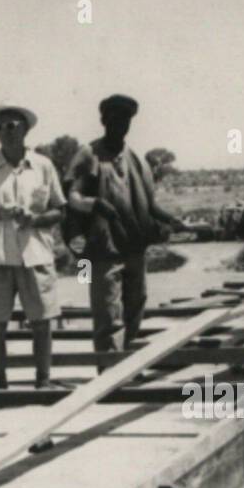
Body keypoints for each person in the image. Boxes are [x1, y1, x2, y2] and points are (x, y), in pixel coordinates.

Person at [66, 94, 186, 368]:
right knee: (108, 314)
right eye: (113, 119)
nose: (119, 125)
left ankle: (126, 367)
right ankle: (109, 372)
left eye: (125, 120)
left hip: (134, 246)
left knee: (135, 308)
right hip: (104, 247)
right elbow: (72, 196)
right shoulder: (88, 155)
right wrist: (95, 204)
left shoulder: (137, 161)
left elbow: (150, 204)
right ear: (103, 120)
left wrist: (173, 221)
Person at [0, 103, 67, 390]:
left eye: (11, 126)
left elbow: (60, 210)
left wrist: (35, 218)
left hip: (35, 252)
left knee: (42, 319)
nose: (5, 132)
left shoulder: (43, 166)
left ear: (25, 128)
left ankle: (43, 380)